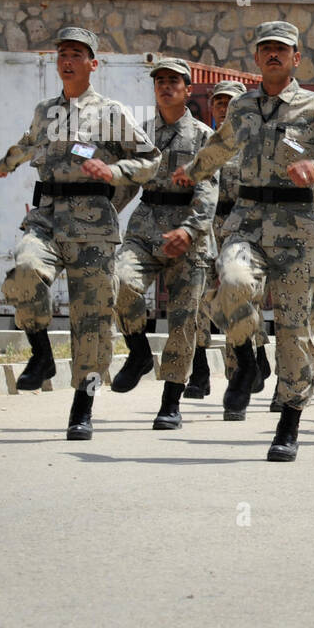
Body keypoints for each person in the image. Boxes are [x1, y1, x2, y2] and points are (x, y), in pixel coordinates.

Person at [173, 20, 314, 462]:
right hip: (247, 219)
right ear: (256, 59)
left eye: (282, 49)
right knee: (233, 284)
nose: (273, 55)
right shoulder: (241, 106)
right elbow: (220, 147)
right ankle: (245, 356)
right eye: (266, 49)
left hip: (298, 225)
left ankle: (288, 424)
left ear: (297, 58)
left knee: (295, 332)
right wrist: (193, 171)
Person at [0, 27, 162, 440]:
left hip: (93, 226)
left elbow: (150, 161)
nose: (67, 60)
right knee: (24, 272)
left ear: (92, 64)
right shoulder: (45, 110)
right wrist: (5, 163)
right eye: (62, 53)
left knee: (92, 321)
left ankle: (82, 407)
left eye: (77, 54)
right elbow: (28, 144)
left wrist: (115, 171)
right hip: (47, 215)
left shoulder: (112, 113)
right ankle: (42, 355)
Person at [109, 58, 218, 431]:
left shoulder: (205, 138)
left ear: (188, 89)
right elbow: (126, 186)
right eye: (160, 81)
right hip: (146, 226)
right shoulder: (142, 136)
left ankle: (171, 400)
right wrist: (101, 217)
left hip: (189, 236)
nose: (166, 86)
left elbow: (208, 193)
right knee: (119, 281)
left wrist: (189, 231)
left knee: (184, 320)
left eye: (174, 81)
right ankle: (138, 351)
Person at [184, 80, 259, 401]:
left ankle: (238, 375)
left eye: (230, 102)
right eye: (218, 102)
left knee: (234, 299)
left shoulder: (254, 140)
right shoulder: (202, 139)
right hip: (206, 227)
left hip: (240, 227)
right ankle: (199, 374)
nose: (223, 108)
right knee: (199, 303)